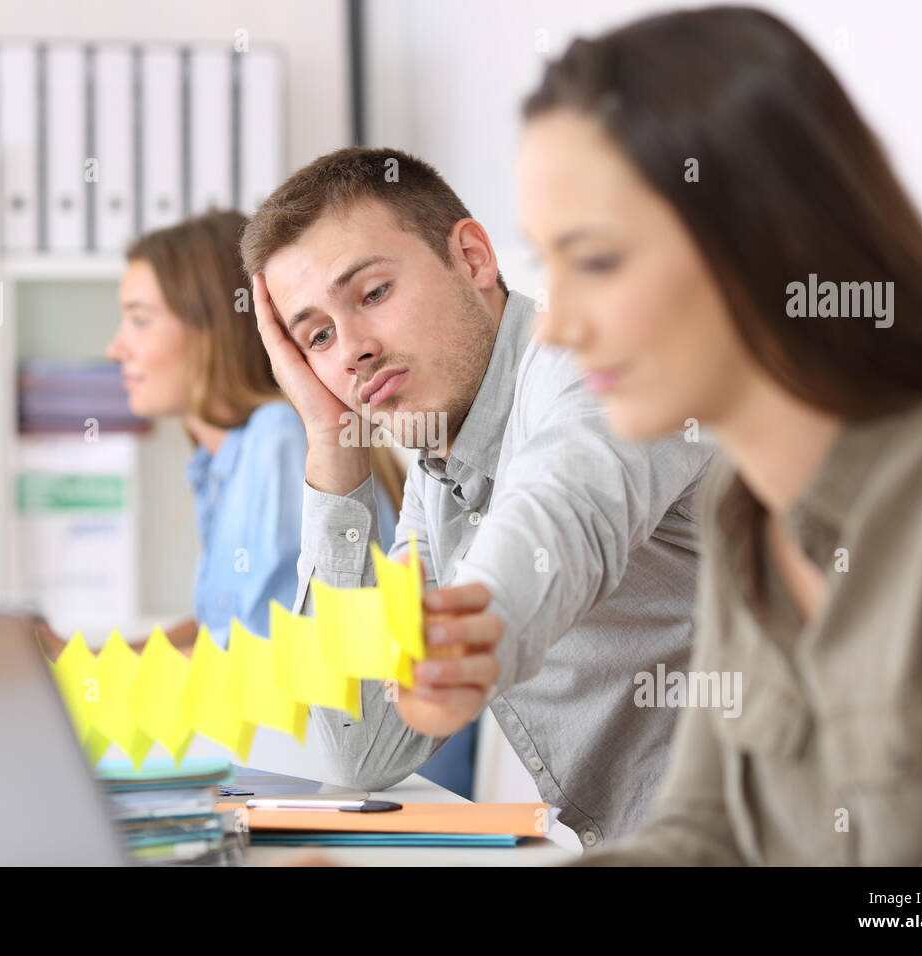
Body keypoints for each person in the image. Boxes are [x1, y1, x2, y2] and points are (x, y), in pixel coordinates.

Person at [517, 7, 922, 863]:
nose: (555, 325)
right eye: (547, 265)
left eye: (599, 261)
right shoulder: (742, 503)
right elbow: (701, 834)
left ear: (758, 235)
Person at [243, 147, 715, 846]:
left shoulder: (599, 365)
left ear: (471, 257)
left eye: (372, 294)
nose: (351, 352)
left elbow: (563, 512)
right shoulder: (440, 471)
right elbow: (362, 752)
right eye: (317, 336)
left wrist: (467, 634)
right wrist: (331, 438)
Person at [37, 209, 402, 657]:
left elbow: (262, 657)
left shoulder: (278, 440)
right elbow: (224, 628)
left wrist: (81, 665)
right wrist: (79, 657)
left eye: (139, 320)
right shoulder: (220, 462)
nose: (116, 349)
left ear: (212, 328)